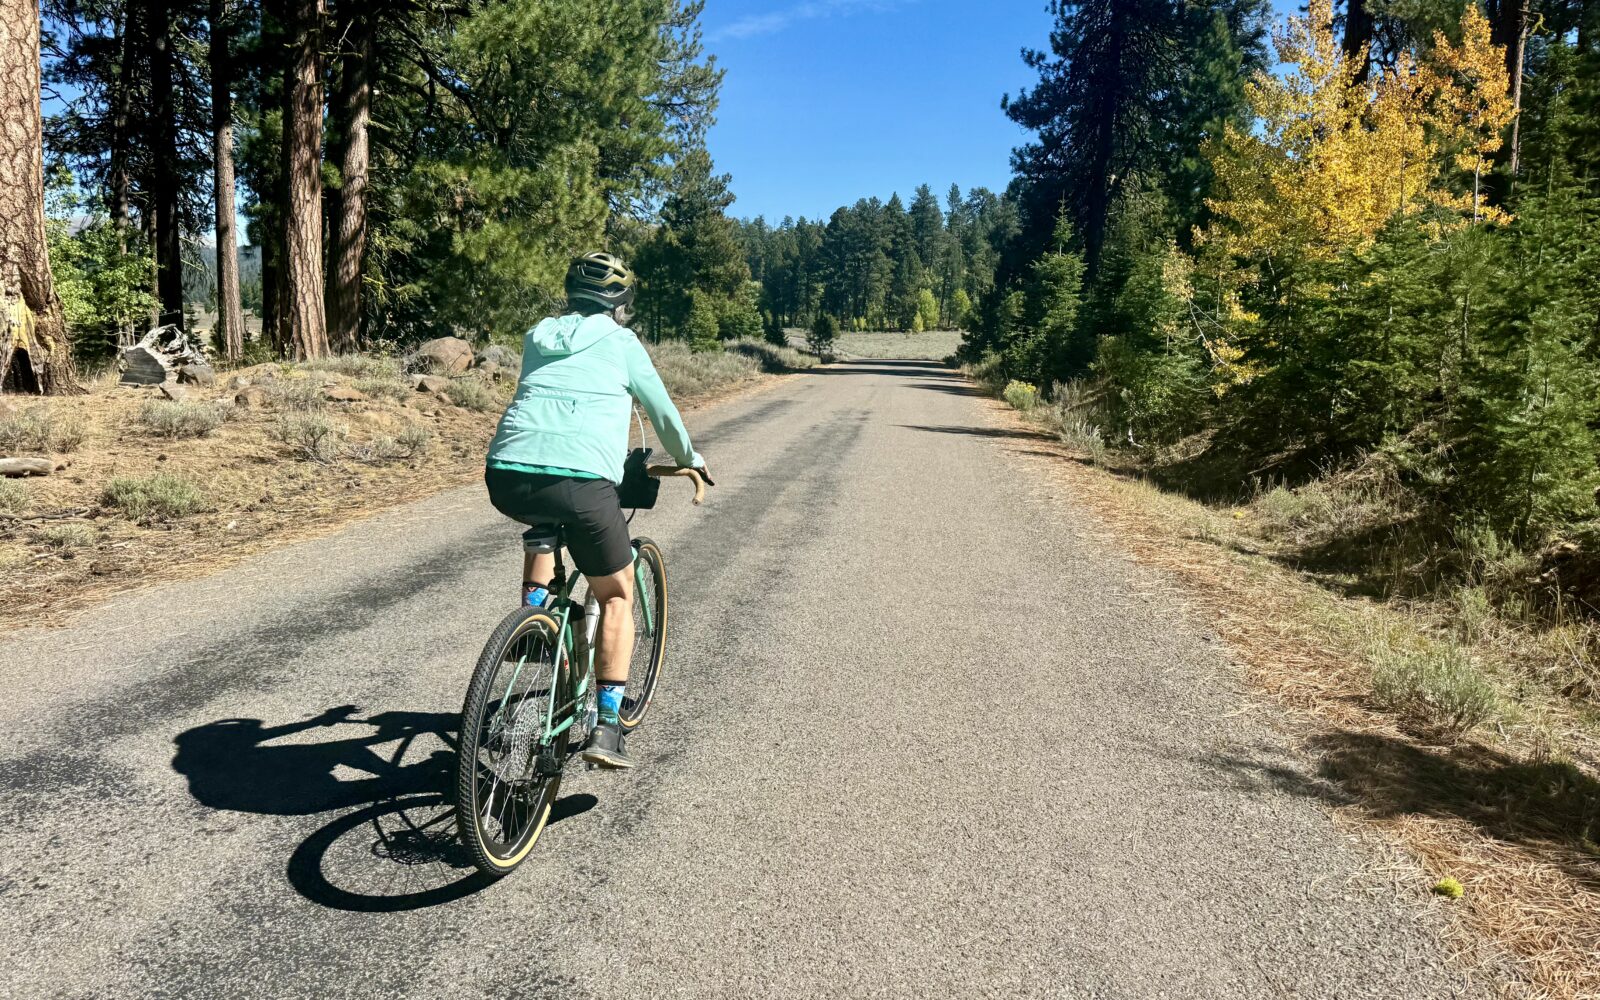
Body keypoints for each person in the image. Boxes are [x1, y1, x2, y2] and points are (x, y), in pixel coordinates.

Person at [484, 251, 708, 770]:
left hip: (508, 473)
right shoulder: (623, 343)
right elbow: (662, 412)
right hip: (583, 483)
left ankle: (534, 623)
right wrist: (689, 460)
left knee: (545, 524)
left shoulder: (538, 335)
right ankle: (606, 726)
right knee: (615, 594)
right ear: (621, 304)